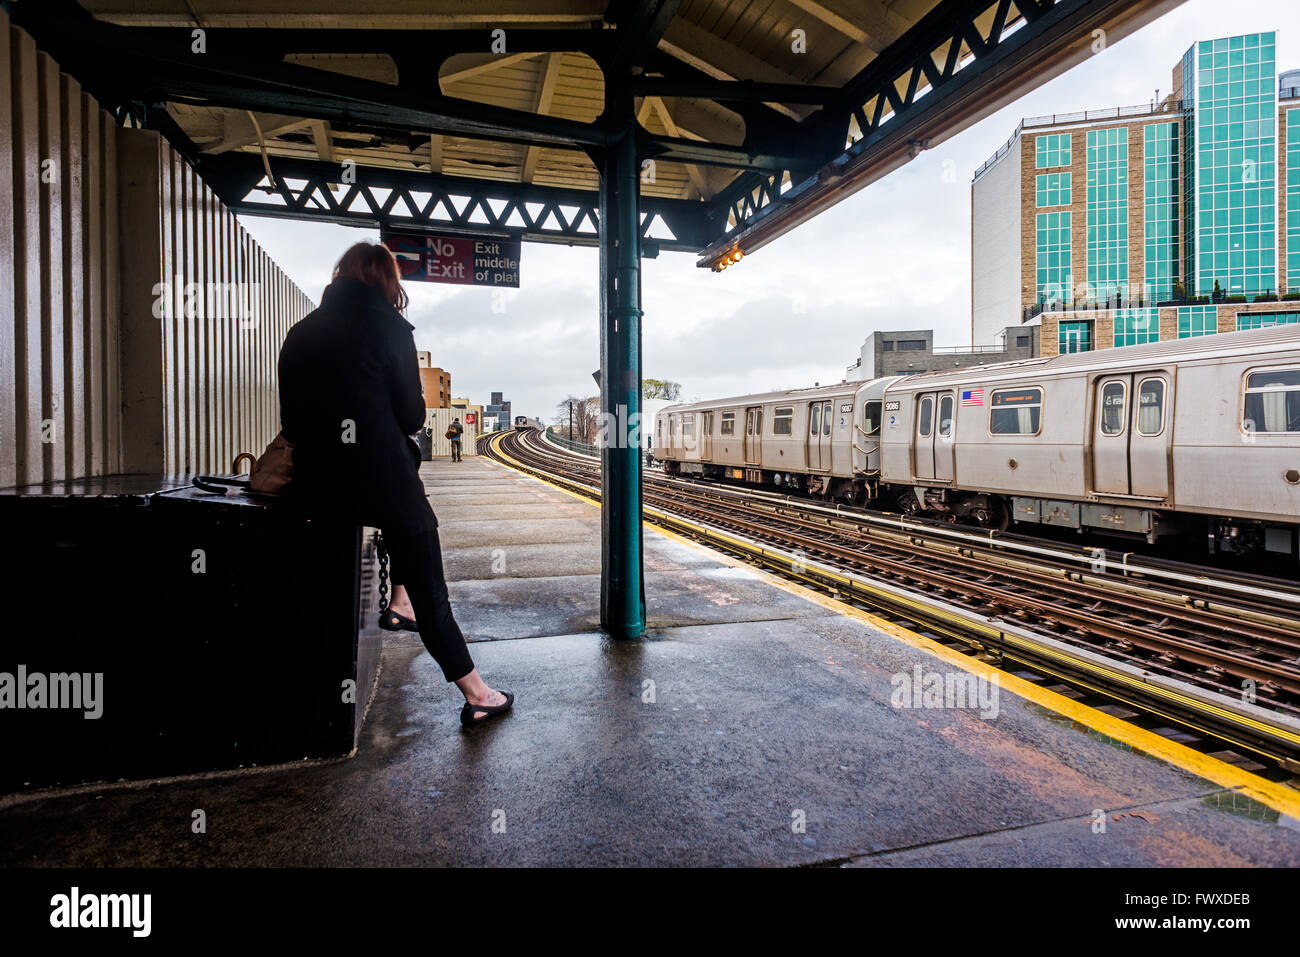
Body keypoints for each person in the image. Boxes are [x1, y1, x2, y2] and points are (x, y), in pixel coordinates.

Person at [277, 241, 512, 727]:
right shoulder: (389, 326)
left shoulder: (300, 333)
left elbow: (294, 425)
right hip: (383, 477)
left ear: (339, 275)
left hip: (317, 486)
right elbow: (410, 414)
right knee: (433, 590)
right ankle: (477, 694)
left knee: (328, 595)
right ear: (387, 281)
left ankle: (397, 604)